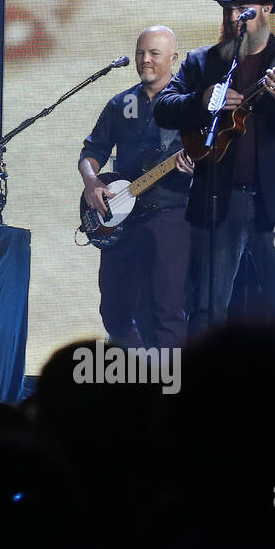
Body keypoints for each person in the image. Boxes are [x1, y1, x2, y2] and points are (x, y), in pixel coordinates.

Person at [153, 0, 275, 340]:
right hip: (218, 200)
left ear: (266, 9)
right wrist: (201, 100)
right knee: (206, 309)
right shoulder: (203, 62)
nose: (234, 18)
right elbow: (163, 107)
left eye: (244, 10)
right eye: (228, 10)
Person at [79, 27, 196, 348]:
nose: (145, 60)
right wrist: (91, 182)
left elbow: (211, 152)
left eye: (155, 54)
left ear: (173, 58)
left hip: (171, 216)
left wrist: (196, 166)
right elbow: (92, 152)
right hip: (122, 219)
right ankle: (133, 379)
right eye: (141, 53)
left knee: (167, 308)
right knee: (113, 308)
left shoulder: (189, 105)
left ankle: (168, 387)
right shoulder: (121, 104)